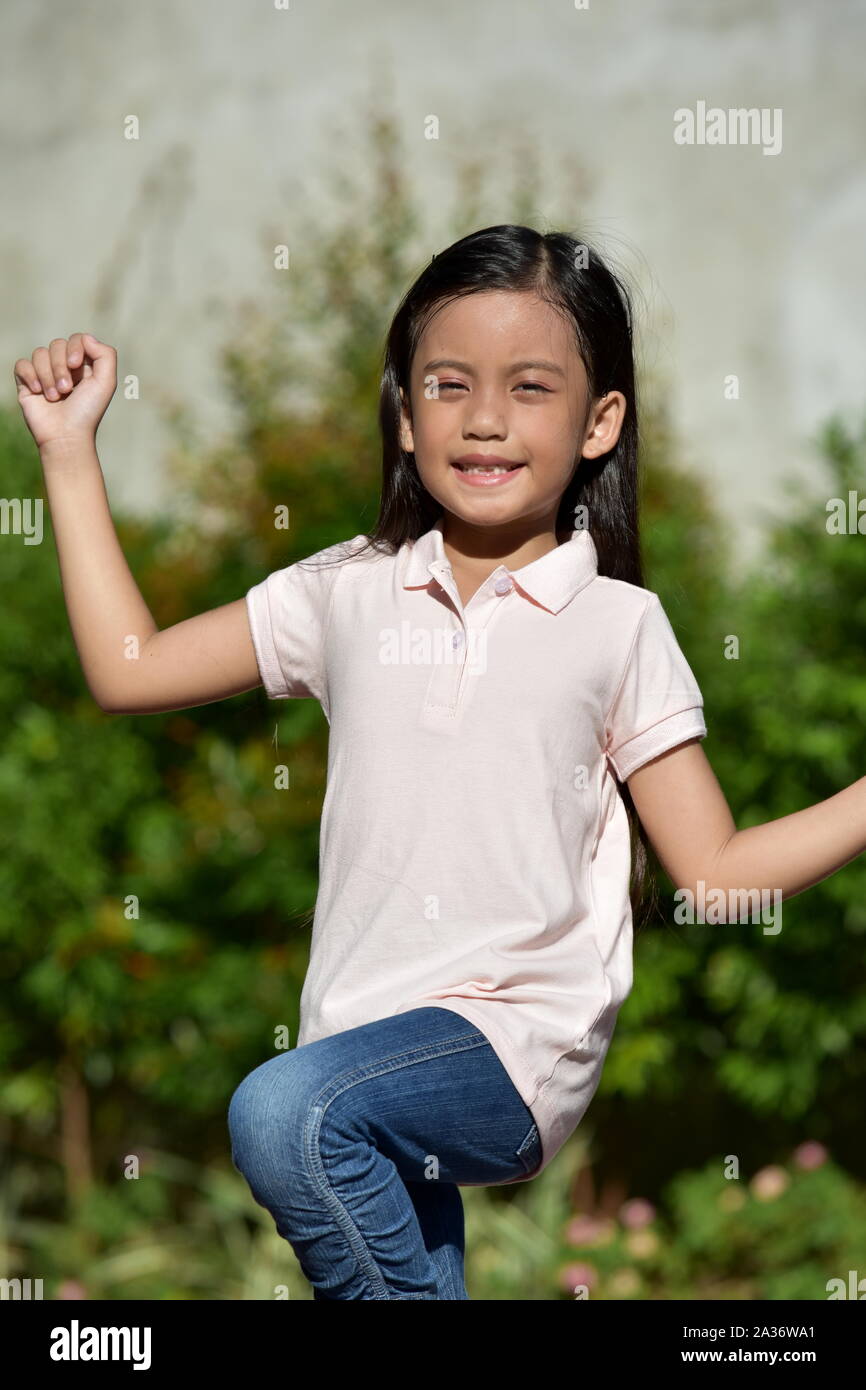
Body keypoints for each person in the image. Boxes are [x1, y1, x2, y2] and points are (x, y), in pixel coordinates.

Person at [15, 224, 865, 1301]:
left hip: (506, 1050)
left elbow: (715, 871)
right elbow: (129, 669)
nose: (485, 418)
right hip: (357, 1055)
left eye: (530, 387)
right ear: (405, 414)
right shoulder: (347, 590)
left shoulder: (616, 625)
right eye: (448, 383)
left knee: (280, 1114)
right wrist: (67, 450)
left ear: (599, 421)